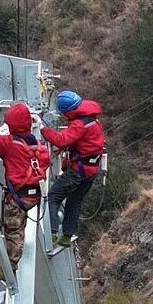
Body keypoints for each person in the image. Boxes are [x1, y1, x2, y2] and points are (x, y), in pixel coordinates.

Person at [0, 103, 51, 269]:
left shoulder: (9, 144)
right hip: (34, 195)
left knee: (13, 230)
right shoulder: (40, 147)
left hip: (15, 198)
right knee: (21, 225)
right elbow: (45, 164)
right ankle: (13, 260)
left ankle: (11, 266)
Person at [42, 89, 106, 247]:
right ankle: (67, 236)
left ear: (69, 111)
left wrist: (43, 129)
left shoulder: (79, 124)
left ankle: (53, 232)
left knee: (53, 197)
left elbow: (62, 140)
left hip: (79, 171)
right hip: (91, 170)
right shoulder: (92, 120)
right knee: (74, 201)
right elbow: (82, 143)